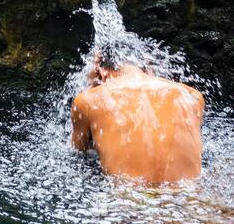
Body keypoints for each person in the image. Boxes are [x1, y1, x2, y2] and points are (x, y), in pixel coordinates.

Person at [71, 42, 204, 183]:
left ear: (100, 70)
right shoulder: (192, 96)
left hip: (128, 199)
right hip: (190, 198)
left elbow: (80, 152)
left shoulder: (88, 100)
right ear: (148, 69)